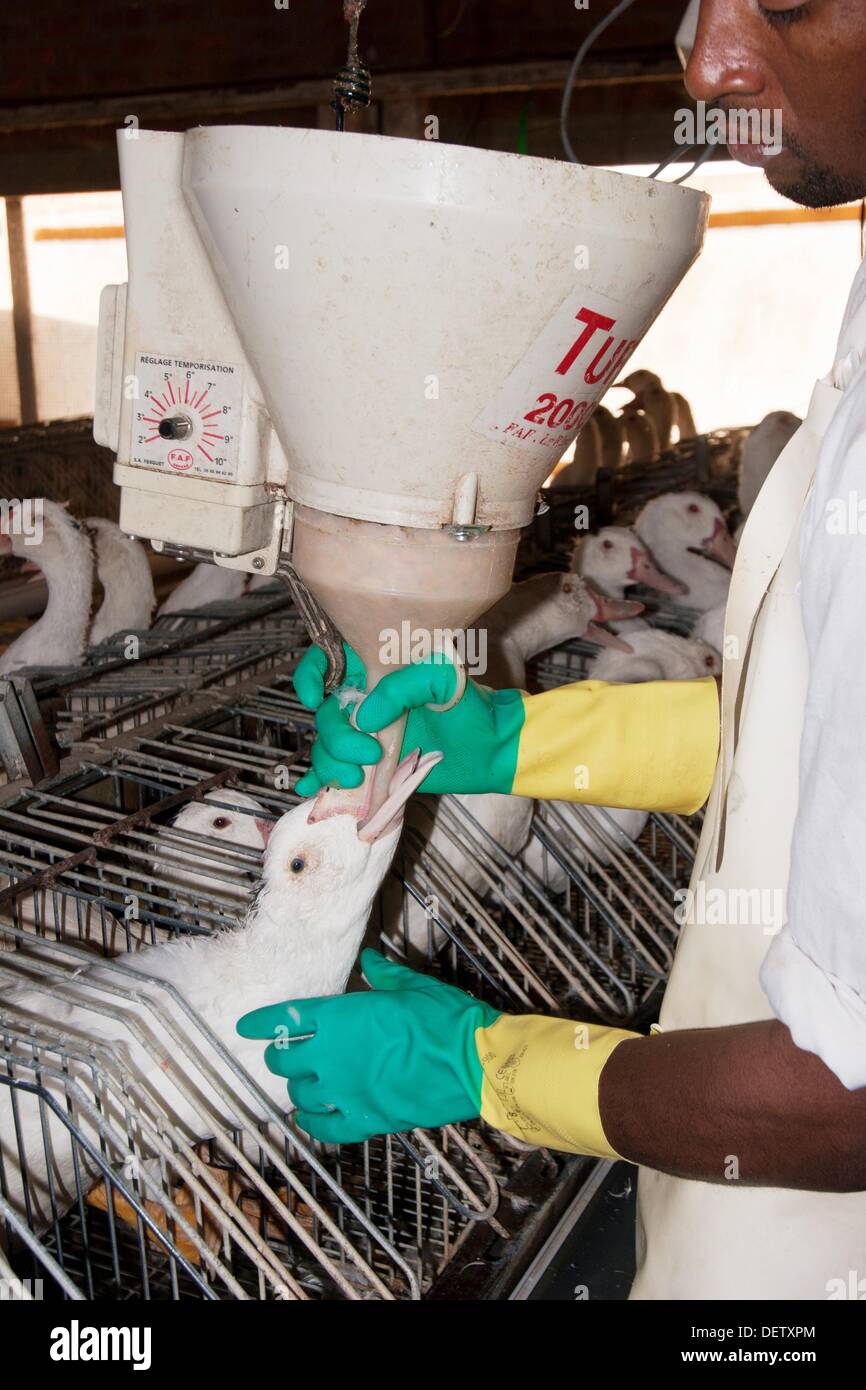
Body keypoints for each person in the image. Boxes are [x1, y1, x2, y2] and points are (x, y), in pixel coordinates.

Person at [238, 0, 866, 1299]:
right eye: (697, 3)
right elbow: (815, 730)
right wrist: (515, 739)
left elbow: (839, 1093)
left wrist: (491, 1069)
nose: (707, 65)